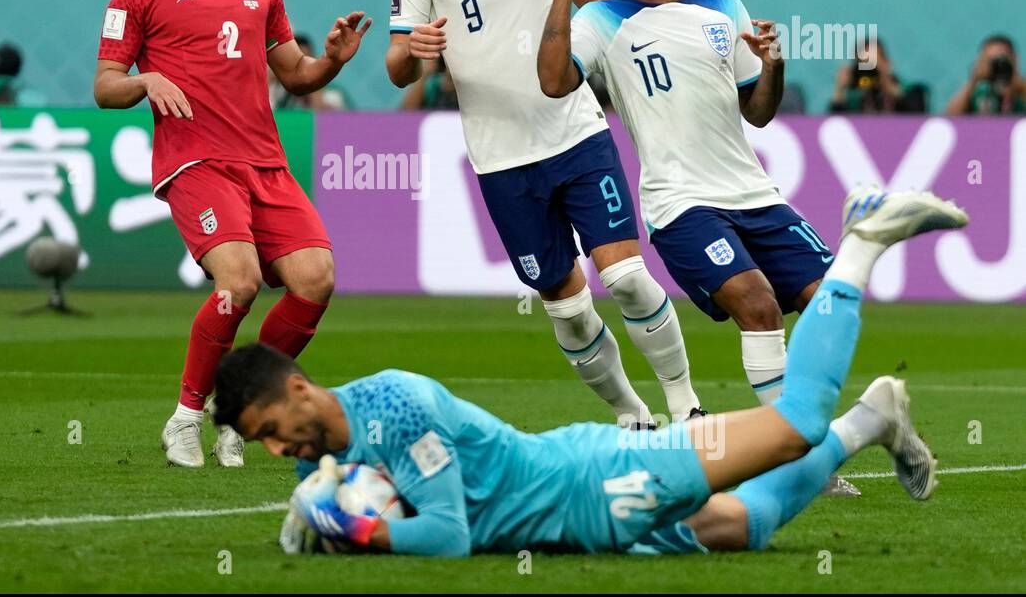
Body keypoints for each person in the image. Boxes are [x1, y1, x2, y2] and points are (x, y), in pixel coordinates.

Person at [214, 188, 968, 556]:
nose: (280, 451)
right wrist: (315, 511)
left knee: (794, 425)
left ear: (300, 389)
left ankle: (861, 246)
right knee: (749, 522)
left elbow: (445, 536)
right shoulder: (334, 443)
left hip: (597, 477)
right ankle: (873, 416)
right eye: (268, 446)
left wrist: (360, 530)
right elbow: (335, 500)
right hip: (582, 519)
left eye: (274, 432)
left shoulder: (396, 408)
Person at [535, 0, 859, 495]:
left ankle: (802, 438)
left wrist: (774, 63)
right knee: (758, 305)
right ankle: (795, 462)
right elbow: (553, 80)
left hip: (754, 195)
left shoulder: (723, 8)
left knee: (828, 304)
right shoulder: (603, 19)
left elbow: (757, 112)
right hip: (680, 204)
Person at [387, 0, 703, 427]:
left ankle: (686, 405)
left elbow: (606, 9)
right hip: (502, 159)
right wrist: (414, 52)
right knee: (566, 307)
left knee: (631, 278)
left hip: (577, 133)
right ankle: (632, 413)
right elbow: (399, 64)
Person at [93, 0, 371, 468]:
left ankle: (239, 407)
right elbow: (105, 86)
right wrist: (146, 82)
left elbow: (296, 76)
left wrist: (333, 61)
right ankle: (186, 418)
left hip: (264, 163)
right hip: (195, 162)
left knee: (315, 281)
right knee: (239, 281)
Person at [829, 37, 925, 113]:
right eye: (864, 64)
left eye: (873, 62)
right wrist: (839, 89)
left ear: (888, 63)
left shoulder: (913, 90)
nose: (869, 69)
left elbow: (916, 114)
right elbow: (837, 126)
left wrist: (888, 84)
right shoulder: (854, 97)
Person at [945, 34, 1026, 115]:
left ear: (1014, 58)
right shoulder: (979, 92)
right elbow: (950, 118)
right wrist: (973, 80)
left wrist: (1017, 83)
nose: (996, 65)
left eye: (1001, 59)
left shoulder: (1020, 88)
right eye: (990, 60)